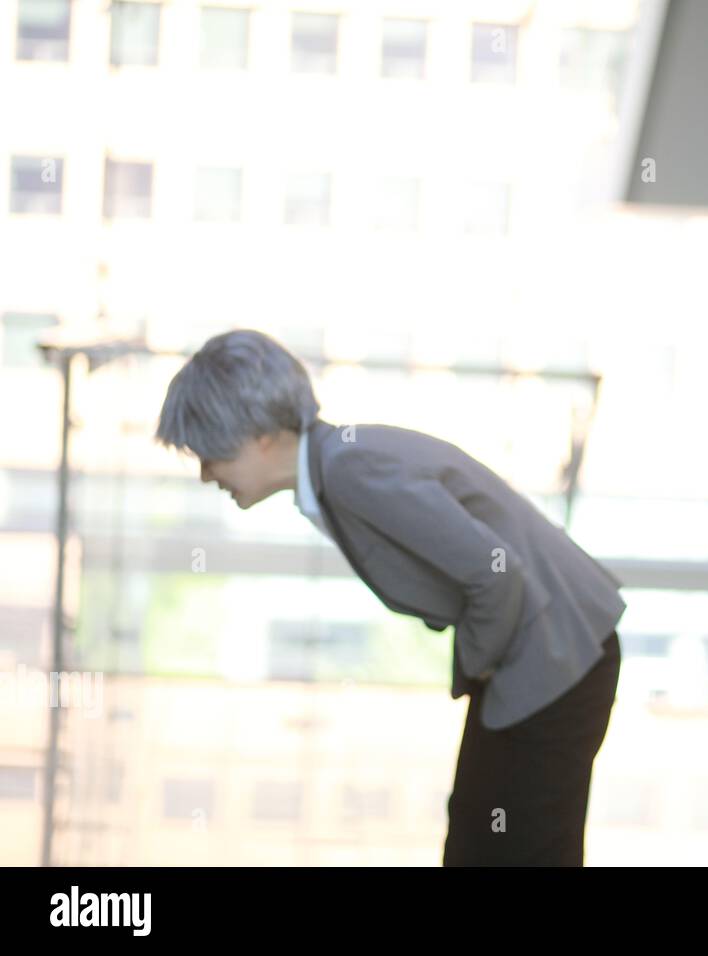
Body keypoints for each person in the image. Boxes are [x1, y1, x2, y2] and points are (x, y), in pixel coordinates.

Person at [155, 329, 626, 866]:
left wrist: (481, 663)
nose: (205, 474)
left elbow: (496, 576)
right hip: (548, 653)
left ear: (260, 434)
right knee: (488, 836)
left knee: (507, 845)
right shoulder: (340, 464)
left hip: (557, 655)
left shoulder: (350, 468)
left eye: (209, 453)